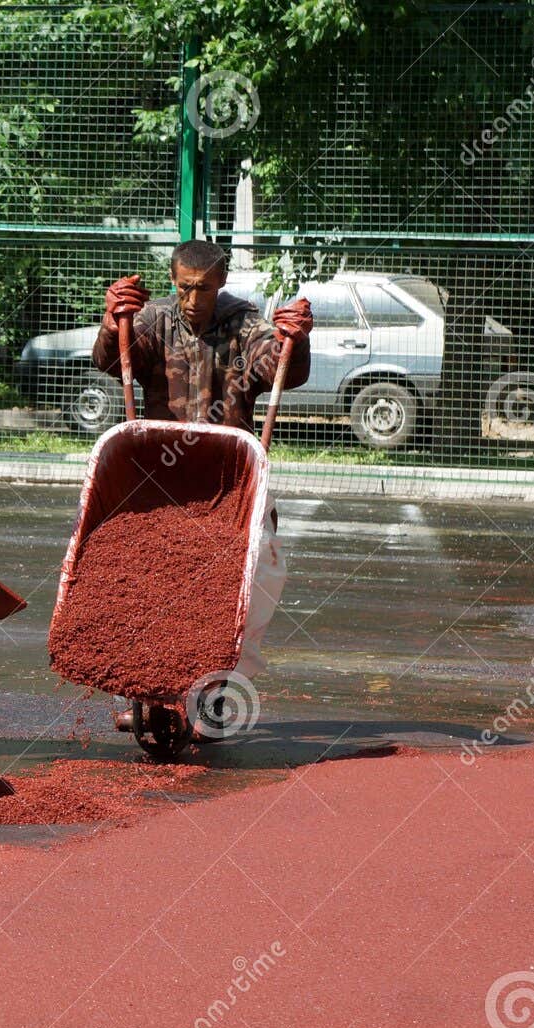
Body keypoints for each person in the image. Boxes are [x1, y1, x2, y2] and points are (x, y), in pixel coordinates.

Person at [92, 239, 314, 734]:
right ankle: (146, 685)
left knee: (242, 577)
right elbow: (112, 362)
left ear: (222, 282)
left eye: (205, 289)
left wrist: (292, 343)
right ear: (174, 282)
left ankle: (213, 683)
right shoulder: (154, 320)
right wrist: (113, 326)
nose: (194, 299)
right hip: (158, 475)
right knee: (148, 581)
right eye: (185, 288)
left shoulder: (242, 322)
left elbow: (274, 365)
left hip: (226, 479)